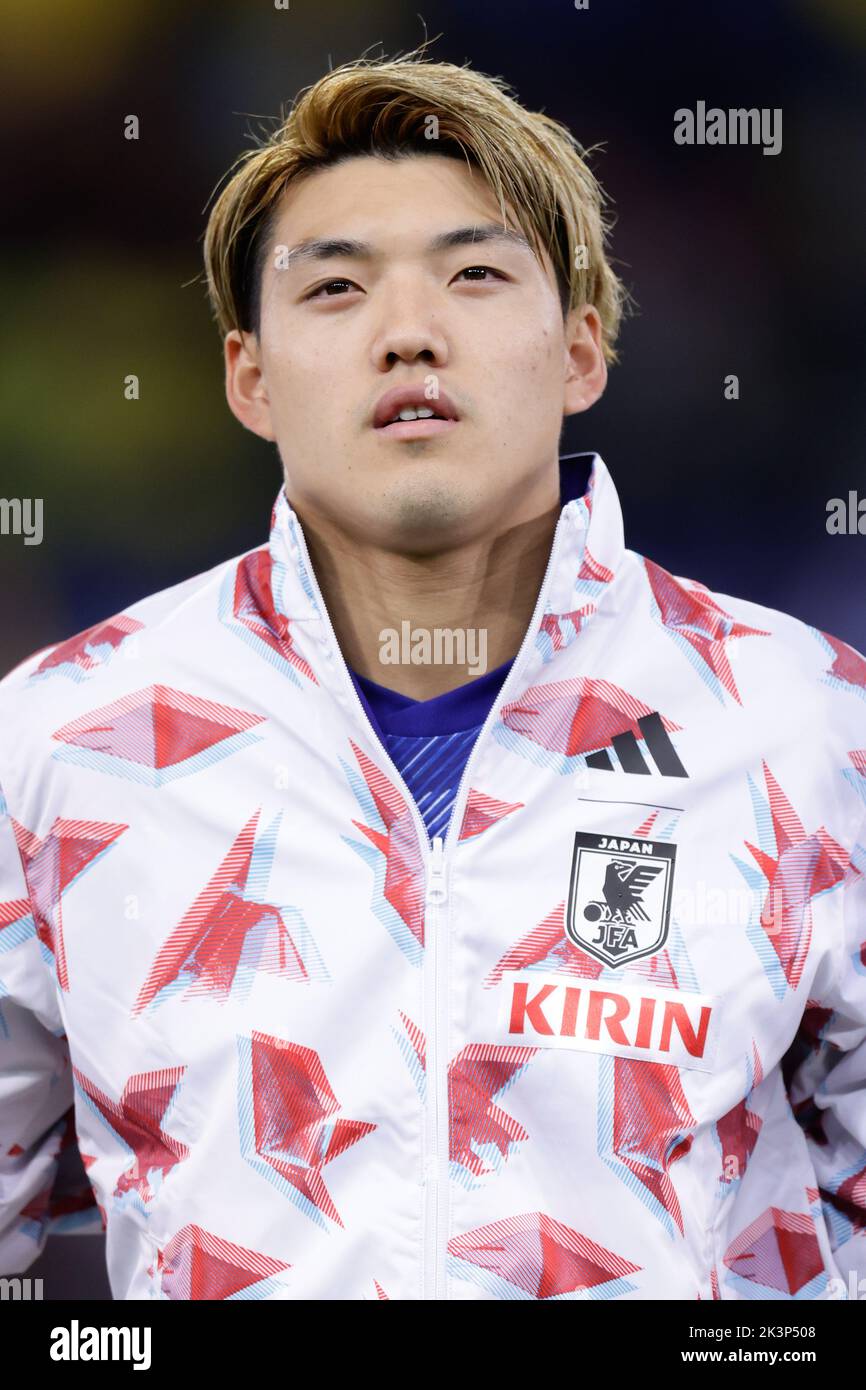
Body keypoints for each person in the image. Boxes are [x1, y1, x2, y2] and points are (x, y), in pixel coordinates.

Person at [1, 48, 864, 1303]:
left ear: (579, 353)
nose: (409, 332)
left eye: (472, 274)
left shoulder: (808, 725)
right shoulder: (59, 743)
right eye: (335, 289)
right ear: (249, 377)